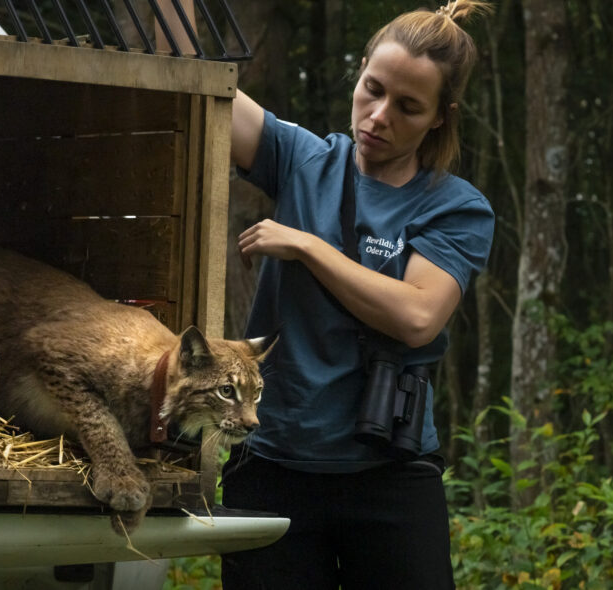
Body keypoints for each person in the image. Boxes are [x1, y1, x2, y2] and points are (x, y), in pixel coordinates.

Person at [159, 1, 494, 588]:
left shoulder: (455, 206)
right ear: (361, 69)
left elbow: (418, 316)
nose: (379, 115)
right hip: (270, 466)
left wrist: (310, 247)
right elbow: (194, 74)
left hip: (389, 475)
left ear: (442, 116)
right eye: (373, 88)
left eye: (409, 107)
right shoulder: (302, 160)